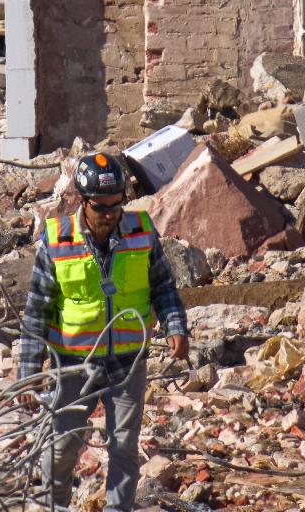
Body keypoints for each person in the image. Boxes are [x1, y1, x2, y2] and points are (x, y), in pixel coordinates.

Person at [17, 152, 188, 511]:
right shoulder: (57, 241)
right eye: (101, 207)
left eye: (116, 205)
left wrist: (176, 325)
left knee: (124, 447)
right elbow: (36, 313)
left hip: (128, 362)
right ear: (82, 201)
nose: (110, 214)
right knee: (61, 448)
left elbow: (163, 286)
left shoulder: (140, 231)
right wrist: (28, 374)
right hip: (73, 365)